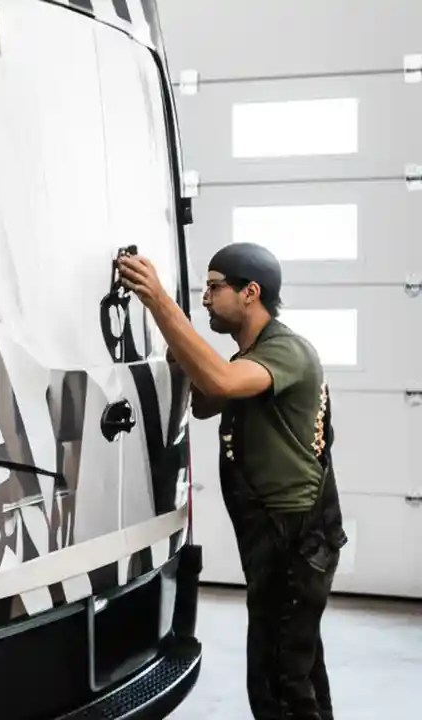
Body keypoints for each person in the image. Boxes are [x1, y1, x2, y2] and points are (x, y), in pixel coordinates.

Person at [117, 242, 346, 720]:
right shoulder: (253, 355)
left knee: (277, 676)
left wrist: (159, 300)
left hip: (296, 535)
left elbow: (219, 383)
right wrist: (177, 349)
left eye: (214, 287)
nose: (205, 298)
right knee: (296, 665)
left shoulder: (285, 350)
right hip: (275, 533)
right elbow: (205, 402)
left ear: (250, 293)